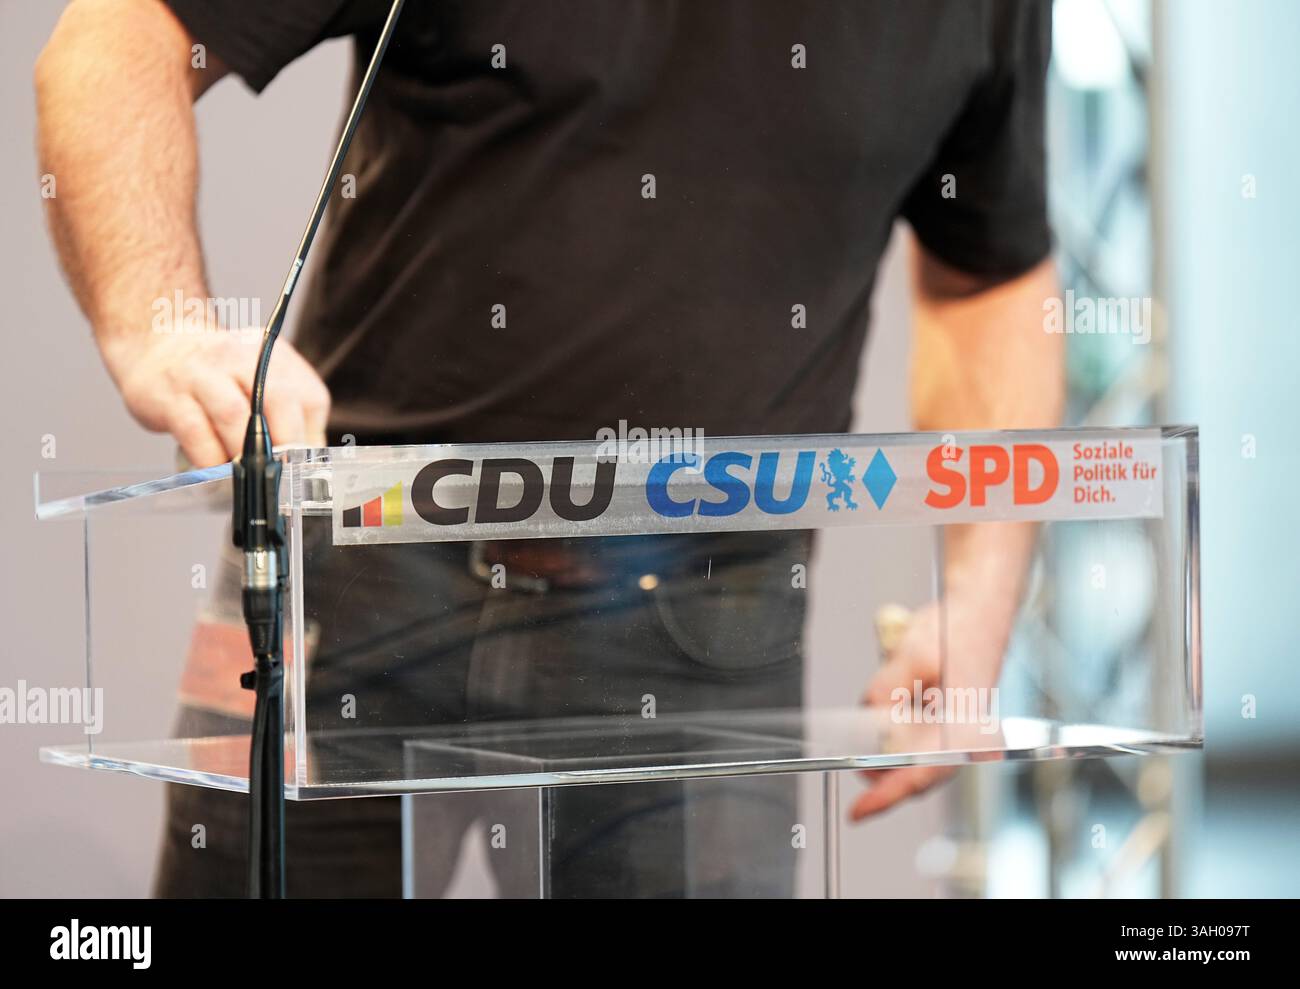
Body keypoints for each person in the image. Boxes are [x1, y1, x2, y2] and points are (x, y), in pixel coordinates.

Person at [35, 0, 1064, 897]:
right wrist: (158, 319)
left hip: (707, 617)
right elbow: (121, 34)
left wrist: (979, 599)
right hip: (350, 574)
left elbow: (991, 272)